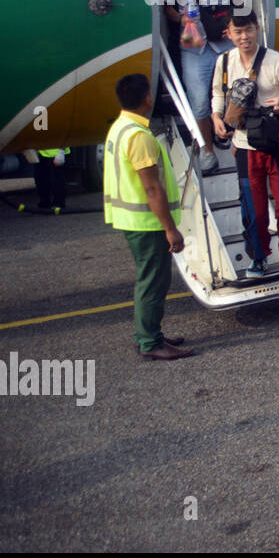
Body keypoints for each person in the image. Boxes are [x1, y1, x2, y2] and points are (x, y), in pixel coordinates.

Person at [210, 10, 279, 288]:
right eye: (238, 31)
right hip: (244, 146)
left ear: (257, 29)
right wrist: (217, 118)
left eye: (249, 30)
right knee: (252, 209)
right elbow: (219, 95)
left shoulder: (278, 61)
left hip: (277, 145)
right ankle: (258, 258)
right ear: (228, 33)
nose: (244, 37)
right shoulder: (223, 62)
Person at [103, 74, 193, 360]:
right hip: (147, 223)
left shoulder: (120, 127)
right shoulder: (139, 137)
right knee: (154, 282)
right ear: (147, 99)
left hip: (131, 221)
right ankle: (150, 342)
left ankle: (147, 333)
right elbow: (152, 188)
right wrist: (170, 229)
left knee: (148, 279)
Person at [176, 0, 235, 172]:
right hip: (194, 44)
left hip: (224, 42)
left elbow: (240, 3)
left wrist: (230, 24)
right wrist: (180, 19)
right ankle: (207, 151)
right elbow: (166, 9)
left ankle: (225, 131)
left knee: (237, 92)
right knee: (199, 101)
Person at [30, 146, 69, 212]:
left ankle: (59, 203)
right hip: (40, 152)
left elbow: (66, 136)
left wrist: (61, 151)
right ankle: (45, 201)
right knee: (40, 178)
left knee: (56, 179)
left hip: (55, 152)